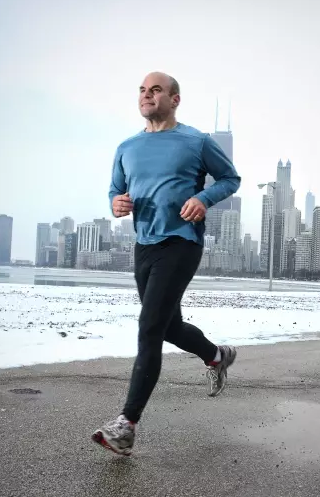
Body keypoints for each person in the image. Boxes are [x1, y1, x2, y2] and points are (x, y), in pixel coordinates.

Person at [91, 72, 241, 456]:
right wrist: (116, 203)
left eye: (155, 90)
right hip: (144, 245)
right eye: (142, 89)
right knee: (167, 326)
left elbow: (230, 178)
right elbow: (115, 189)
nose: (146, 95)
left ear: (174, 99)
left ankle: (126, 425)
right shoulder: (127, 146)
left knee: (149, 327)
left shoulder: (197, 141)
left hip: (182, 241)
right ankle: (216, 355)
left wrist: (204, 199)